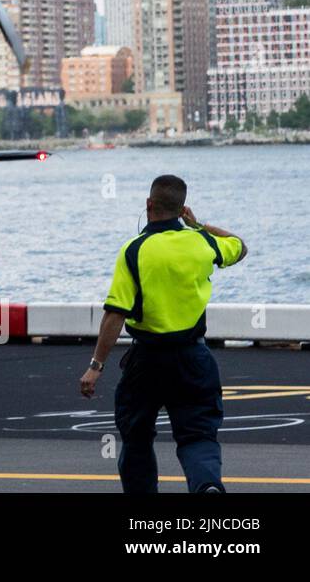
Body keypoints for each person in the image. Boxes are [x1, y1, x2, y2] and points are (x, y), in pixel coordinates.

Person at [79, 174, 247, 493]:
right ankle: (207, 485)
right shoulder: (203, 243)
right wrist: (199, 226)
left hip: (147, 361)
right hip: (194, 357)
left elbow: (115, 313)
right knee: (198, 435)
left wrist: (96, 366)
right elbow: (240, 246)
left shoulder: (134, 250)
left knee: (136, 436)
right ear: (183, 209)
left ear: (148, 204)